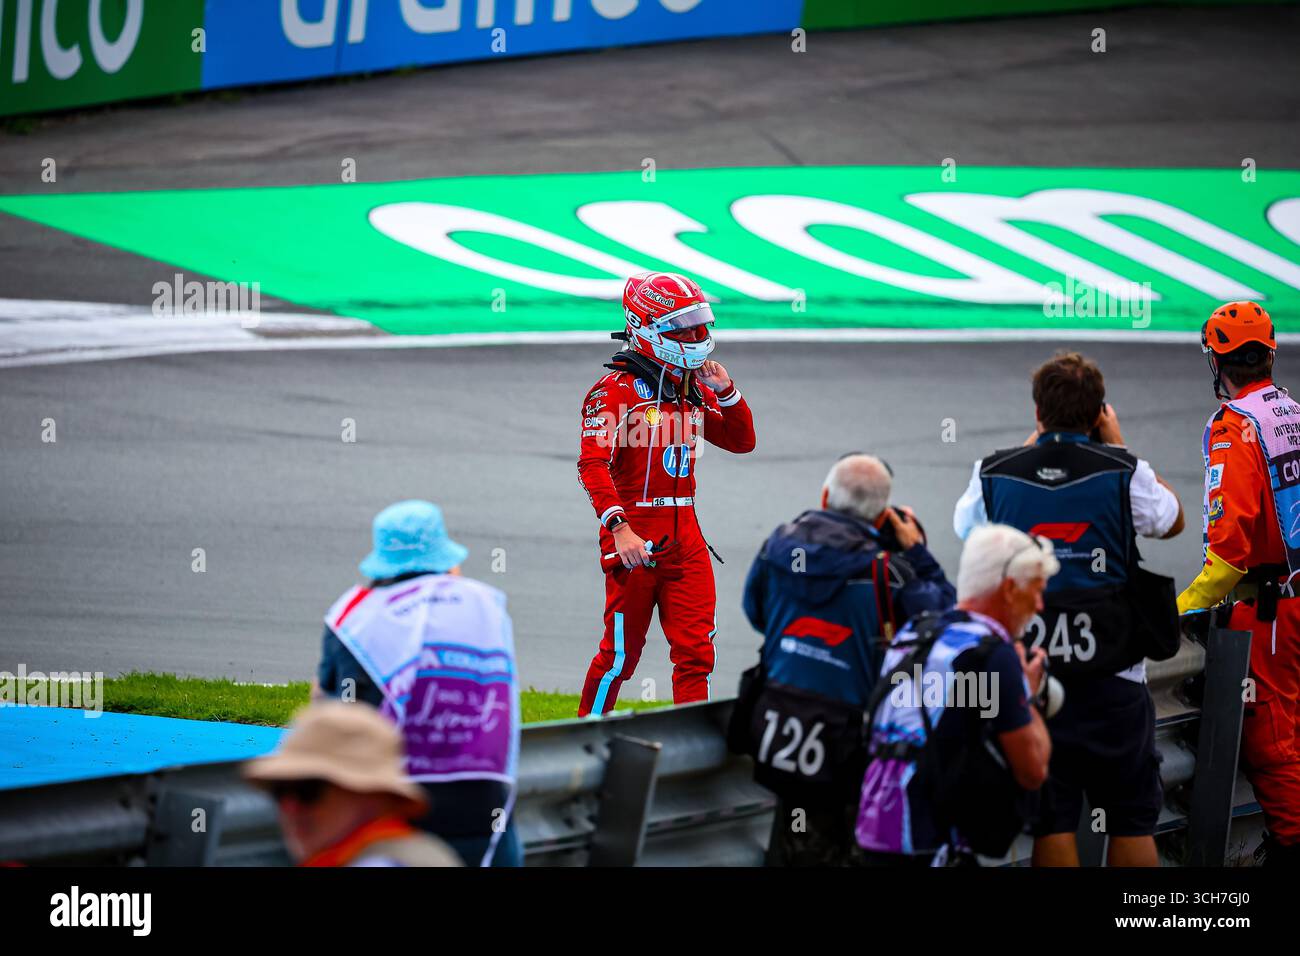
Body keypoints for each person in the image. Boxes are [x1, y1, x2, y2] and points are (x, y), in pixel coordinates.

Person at [953, 351, 1184, 868]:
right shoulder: (1125, 469)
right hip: (1115, 676)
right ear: (1099, 411)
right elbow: (1172, 520)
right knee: (1130, 818)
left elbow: (966, 530)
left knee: (1051, 818)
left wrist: (1031, 449)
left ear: (1038, 411)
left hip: (1032, 676)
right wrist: (1119, 445)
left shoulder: (992, 472)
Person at [738, 453, 955, 865]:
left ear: (824, 496)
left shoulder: (779, 546)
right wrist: (918, 555)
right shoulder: (891, 572)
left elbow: (756, 614)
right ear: (883, 518)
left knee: (793, 847)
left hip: (779, 730)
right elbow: (944, 629)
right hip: (852, 746)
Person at [576, 271, 756, 716]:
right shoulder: (613, 391)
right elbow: (591, 463)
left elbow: (741, 440)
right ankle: (581, 740)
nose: (697, 335)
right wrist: (619, 528)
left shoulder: (691, 387)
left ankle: (688, 753)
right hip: (634, 534)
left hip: (688, 538)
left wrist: (727, 392)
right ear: (646, 328)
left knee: (696, 656)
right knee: (619, 657)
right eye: (684, 326)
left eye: (700, 324)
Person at [316, 499, 522, 867]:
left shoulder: (353, 619)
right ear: (444, 557)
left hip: (394, 810)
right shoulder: (485, 605)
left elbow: (327, 710)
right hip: (486, 806)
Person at [1178, 302, 1300, 867]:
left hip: (1271, 612)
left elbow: (1227, 558)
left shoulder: (1233, 429)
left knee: (1271, 744)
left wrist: (1179, 613)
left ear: (1217, 362)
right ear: (1269, 355)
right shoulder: (1293, 414)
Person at [856, 524, 1056, 866]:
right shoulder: (994, 656)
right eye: (1036, 591)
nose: (1039, 606)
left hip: (874, 826)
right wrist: (1030, 694)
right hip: (928, 842)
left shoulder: (914, 633)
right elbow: (1033, 769)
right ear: (1009, 589)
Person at [244, 701, 462, 867]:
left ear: (371, 792)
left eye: (308, 790)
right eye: (279, 791)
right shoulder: (421, 851)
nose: (289, 808)